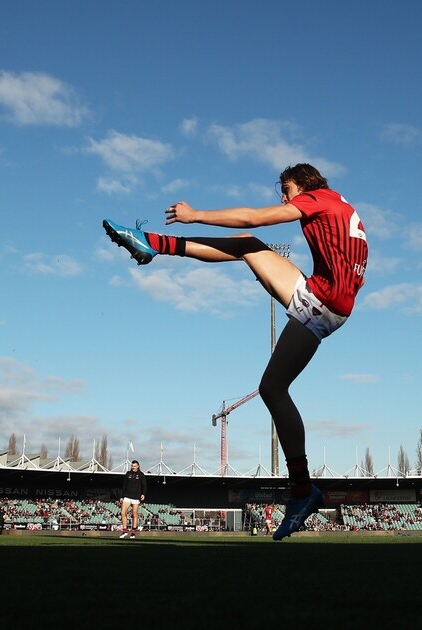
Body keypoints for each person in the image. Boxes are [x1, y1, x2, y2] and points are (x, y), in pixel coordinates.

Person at [102, 163, 368, 541]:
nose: (284, 197)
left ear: (304, 185)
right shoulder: (341, 204)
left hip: (323, 302)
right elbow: (353, 260)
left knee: (273, 387)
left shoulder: (317, 200)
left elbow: (254, 217)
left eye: (286, 189)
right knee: (248, 250)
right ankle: (152, 244)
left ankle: (303, 489)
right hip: (324, 295)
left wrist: (195, 216)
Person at [118, 460, 147, 539]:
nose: (133, 467)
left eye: (134, 466)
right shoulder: (128, 474)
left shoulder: (141, 475)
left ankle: (133, 532)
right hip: (127, 496)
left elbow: (144, 485)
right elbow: (124, 486)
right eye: (132, 466)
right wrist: (121, 496)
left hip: (136, 497)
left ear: (138, 466)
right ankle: (124, 531)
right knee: (123, 512)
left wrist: (143, 494)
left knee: (134, 514)